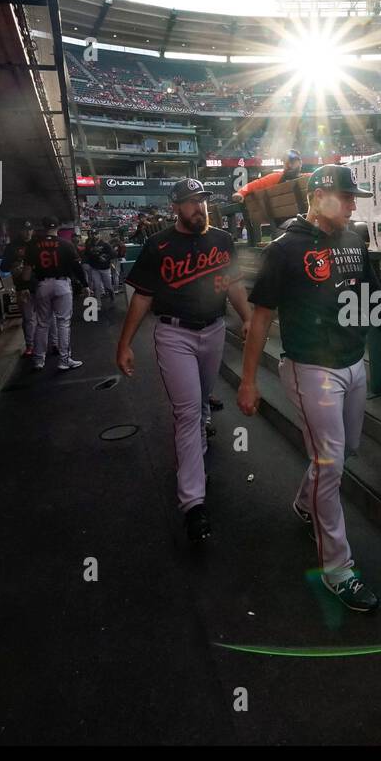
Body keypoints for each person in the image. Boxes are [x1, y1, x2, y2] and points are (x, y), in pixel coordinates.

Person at [237, 164, 381, 613]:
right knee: (331, 462)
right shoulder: (286, 248)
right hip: (310, 369)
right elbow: (260, 316)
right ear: (319, 198)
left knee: (347, 449)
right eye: (346, 196)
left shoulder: (353, 238)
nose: (354, 204)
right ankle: (338, 569)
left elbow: (371, 295)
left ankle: (306, 502)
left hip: (352, 361)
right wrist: (246, 381)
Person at [117, 179, 251, 544]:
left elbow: (234, 284)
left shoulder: (222, 240)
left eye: (203, 200)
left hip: (215, 329)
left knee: (204, 397)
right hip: (174, 333)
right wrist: (124, 344)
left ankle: (205, 420)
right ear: (175, 207)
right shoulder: (157, 245)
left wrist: (249, 318)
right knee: (187, 412)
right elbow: (142, 298)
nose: (199, 207)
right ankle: (193, 502)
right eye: (191, 202)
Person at [30, 217, 86, 371]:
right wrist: (85, 284)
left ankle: (39, 360)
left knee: (42, 324)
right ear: (58, 227)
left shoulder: (34, 245)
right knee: (63, 323)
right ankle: (64, 360)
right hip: (61, 283)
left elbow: (27, 272)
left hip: (42, 284)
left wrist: (26, 287)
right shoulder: (66, 244)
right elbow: (76, 267)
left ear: (43, 227)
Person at [0, 221, 37, 358]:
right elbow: (3, 267)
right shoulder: (12, 247)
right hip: (22, 286)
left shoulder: (38, 243)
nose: (28, 232)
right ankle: (30, 345)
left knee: (45, 317)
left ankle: (50, 343)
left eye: (30, 229)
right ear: (20, 231)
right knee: (28, 318)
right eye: (25, 230)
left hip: (39, 284)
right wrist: (13, 267)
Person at [232, 149, 304, 203]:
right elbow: (253, 185)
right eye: (286, 162)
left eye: (292, 162)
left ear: (300, 163)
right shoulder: (276, 177)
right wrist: (241, 192)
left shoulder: (309, 177)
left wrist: (241, 192)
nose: (289, 165)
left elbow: (251, 185)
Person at [82, 236, 115, 302]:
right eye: (93, 234)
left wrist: (105, 258)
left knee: (108, 286)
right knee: (96, 286)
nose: (94, 236)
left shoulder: (105, 244)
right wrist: (92, 256)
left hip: (105, 268)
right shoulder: (90, 245)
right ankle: (98, 304)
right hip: (95, 268)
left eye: (96, 234)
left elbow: (113, 254)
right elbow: (87, 255)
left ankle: (111, 294)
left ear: (99, 235)